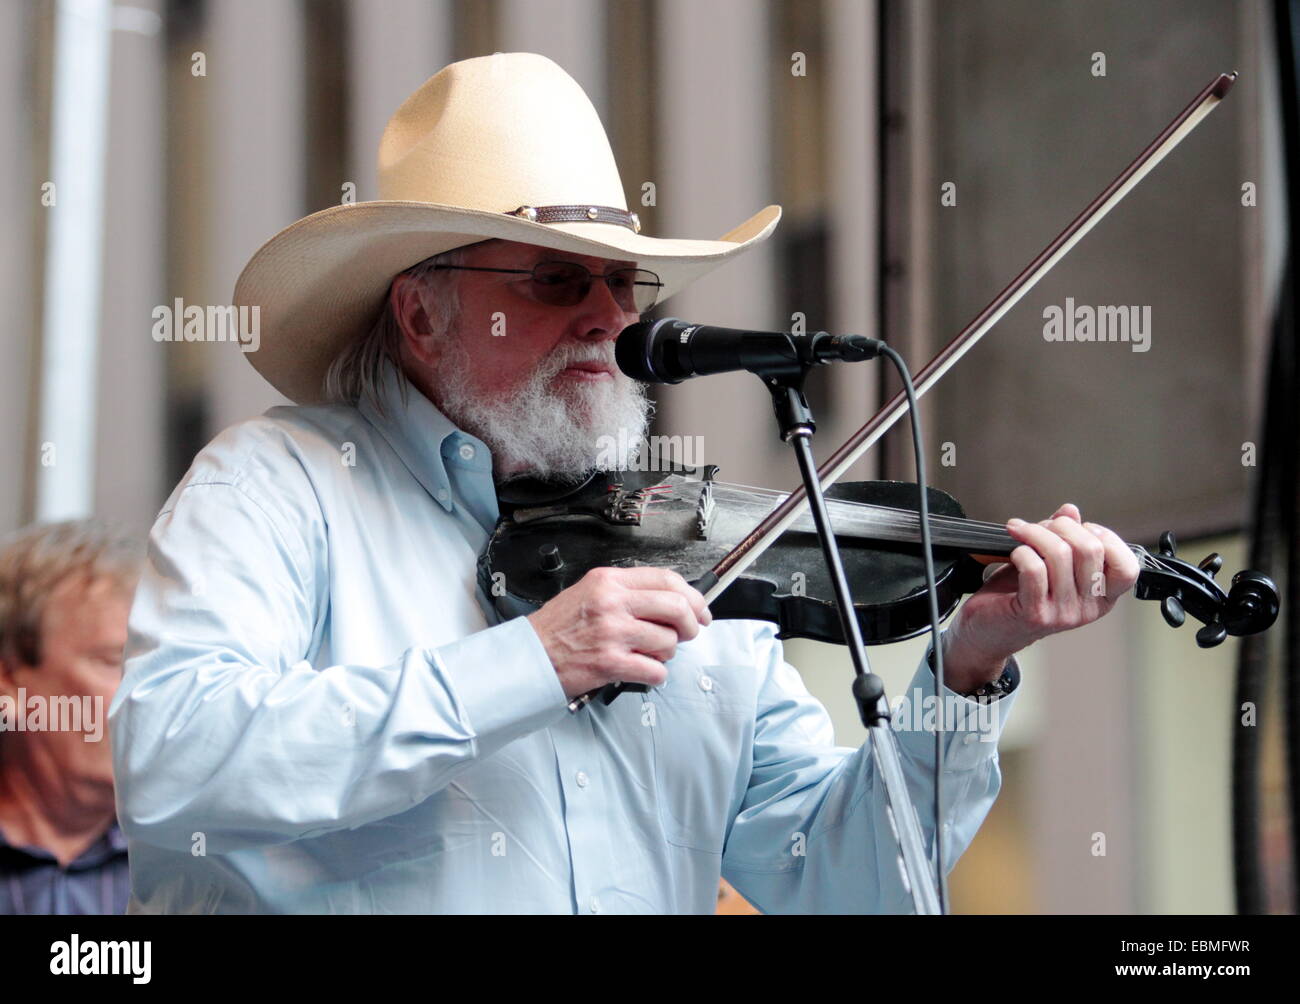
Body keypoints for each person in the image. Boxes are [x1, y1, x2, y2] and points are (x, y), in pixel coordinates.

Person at [110, 52, 1139, 914]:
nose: (609, 316)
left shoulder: (682, 541)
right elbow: (173, 755)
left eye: (621, 281)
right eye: (556, 280)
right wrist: (530, 660)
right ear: (421, 313)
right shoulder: (280, 483)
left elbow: (848, 880)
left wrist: (966, 673)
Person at [0, 520, 140, 914]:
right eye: (115, 661)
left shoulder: (195, 868)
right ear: (9, 679)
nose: (147, 695)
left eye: (158, 669)